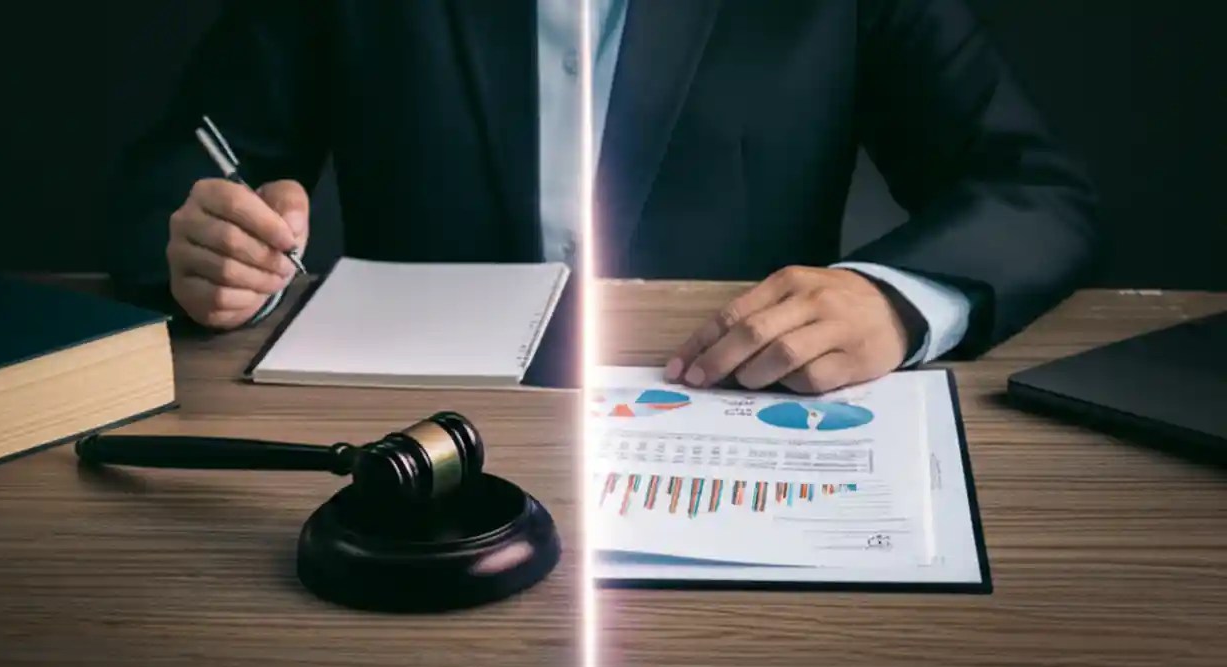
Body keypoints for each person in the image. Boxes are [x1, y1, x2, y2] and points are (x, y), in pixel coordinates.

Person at [113, 0, 1098, 394]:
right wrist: (196, 240)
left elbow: (1034, 191)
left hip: (730, 417)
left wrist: (891, 299)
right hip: (412, 434)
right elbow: (179, 168)